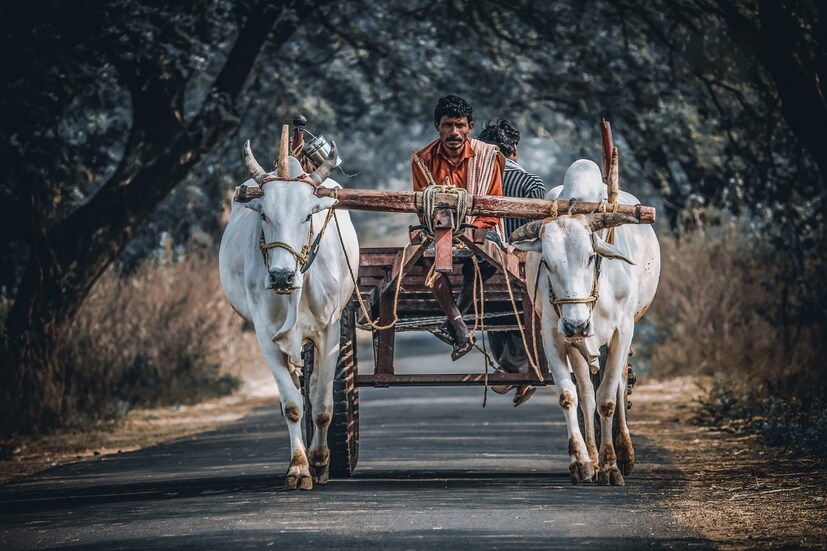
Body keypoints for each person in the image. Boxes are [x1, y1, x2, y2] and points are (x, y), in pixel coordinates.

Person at [412, 95, 505, 361]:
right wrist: (443, 231)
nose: (454, 132)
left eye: (460, 125)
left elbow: (494, 206)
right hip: (437, 231)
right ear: (437, 126)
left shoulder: (490, 157)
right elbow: (423, 209)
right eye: (447, 125)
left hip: (479, 228)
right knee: (428, 259)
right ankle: (461, 328)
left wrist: (469, 229)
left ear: (470, 127)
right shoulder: (422, 160)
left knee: (485, 261)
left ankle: (450, 324)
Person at [477, 118, 546, 406]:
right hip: (522, 277)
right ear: (513, 150)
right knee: (525, 293)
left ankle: (510, 367)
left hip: (482, 273)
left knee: (495, 305)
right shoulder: (532, 184)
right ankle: (516, 367)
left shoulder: (470, 186)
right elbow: (542, 236)